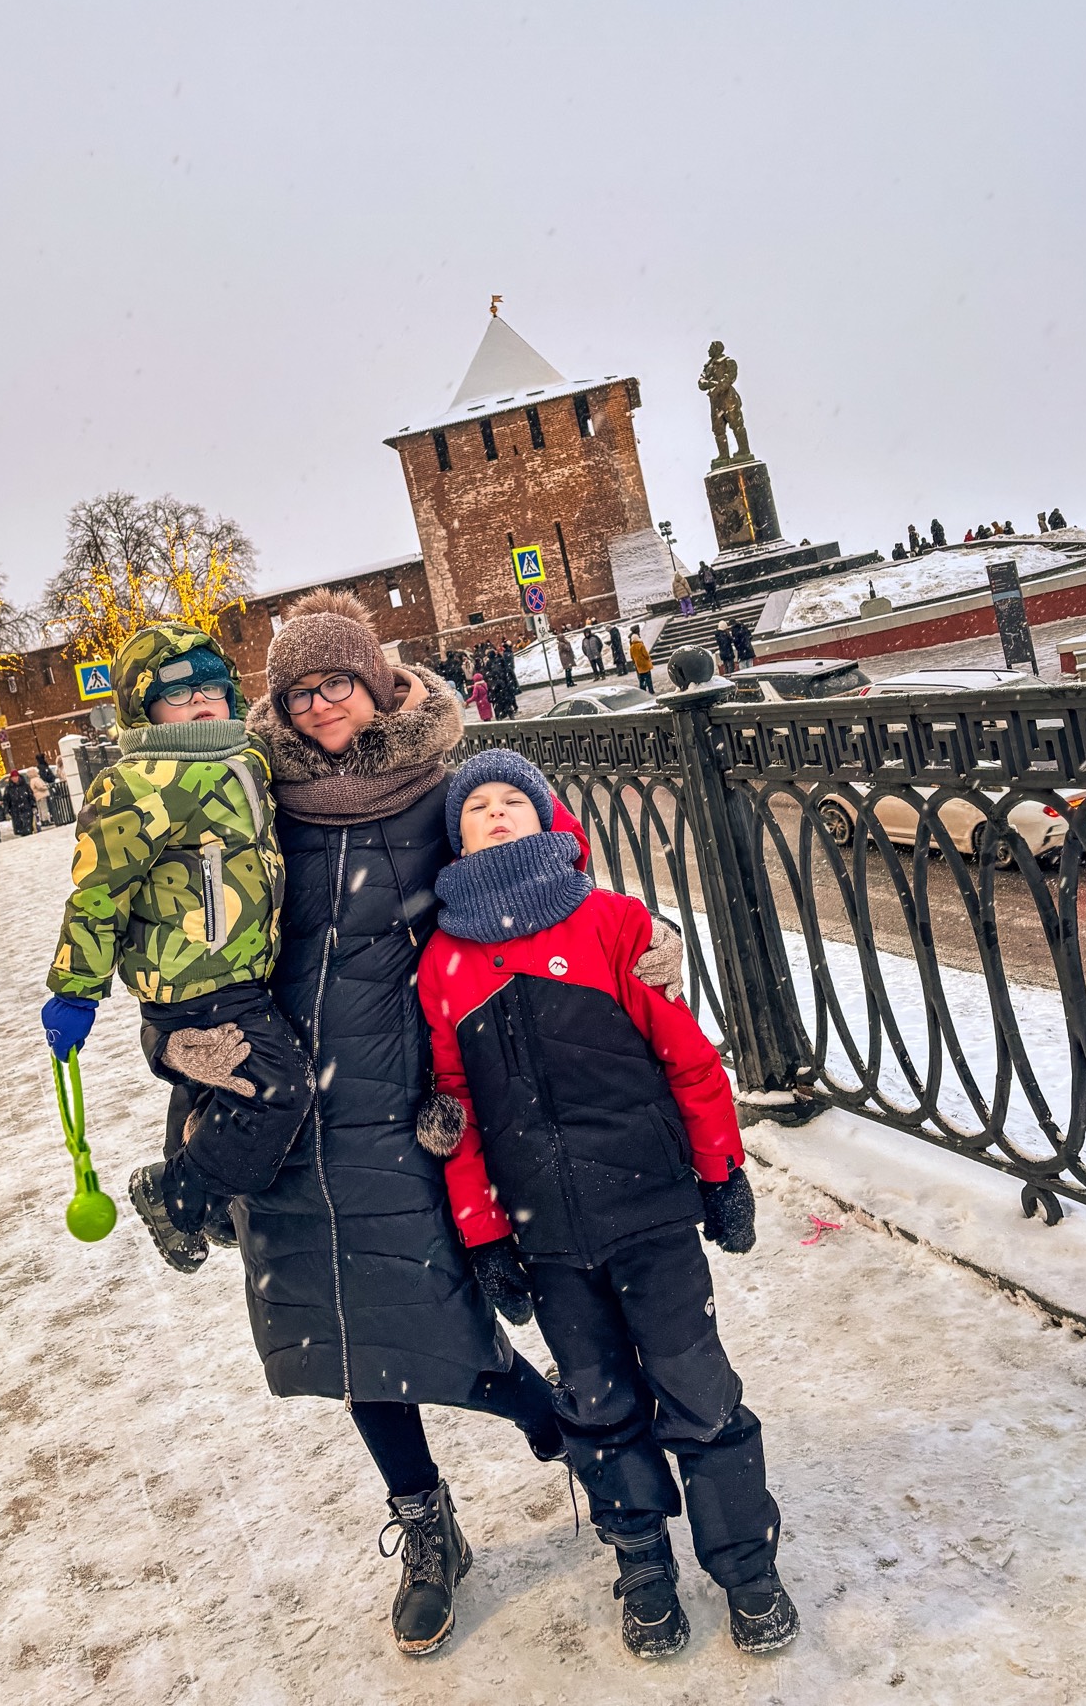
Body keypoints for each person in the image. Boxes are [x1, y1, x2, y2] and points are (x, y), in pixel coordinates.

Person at [185, 589, 686, 1656]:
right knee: (343, 1327)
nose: (322, 703)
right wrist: (182, 1056)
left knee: (450, 1298)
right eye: (301, 688)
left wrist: (641, 948)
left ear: (376, 678)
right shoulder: (252, 797)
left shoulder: (442, 783)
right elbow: (196, 942)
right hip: (288, 1104)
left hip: (425, 1101)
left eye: (338, 679)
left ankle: (577, 1433)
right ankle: (425, 1519)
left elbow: (543, 874)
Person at [417, 752, 798, 1660]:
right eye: (480, 808)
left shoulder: (613, 923)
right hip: (545, 1236)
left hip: (651, 1213)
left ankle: (747, 1566)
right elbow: (455, 1111)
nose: (500, 814)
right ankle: (642, 1563)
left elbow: (689, 1059)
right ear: (456, 837)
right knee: (596, 1403)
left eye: (517, 800)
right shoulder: (444, 962)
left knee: (698, 1389)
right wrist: (484, 1233)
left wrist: (720, 1171)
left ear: (548, 820)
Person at [41, 625, 312, 1272]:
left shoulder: (248, 758)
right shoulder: (138, 782)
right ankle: (177, 1196)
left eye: (213, 685)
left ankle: (210, 1203)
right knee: (281, 1091)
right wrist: (75, 990)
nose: (202, 701)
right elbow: (98, 892)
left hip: (240, 975)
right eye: (179, 691)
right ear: (142, 707)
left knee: (216, 1089)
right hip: (190, 985)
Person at [3, 768, 37, 837]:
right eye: (13, 777)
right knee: (21, 829)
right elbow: (6, 800)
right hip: (15, 810)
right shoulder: (9, 788)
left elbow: (31, 796)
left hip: (26, 808)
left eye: (16, 777)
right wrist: (7, 810)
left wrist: (33, 806)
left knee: (28, 827)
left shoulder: (25, 786)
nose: (14, 779)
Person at [629, 627, 655, 694]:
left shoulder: (631, 647)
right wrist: (648, 659)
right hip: (645, 664)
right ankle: (651, 690)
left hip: (638, 665)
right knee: (648, 679)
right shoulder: (641, 645)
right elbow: (646, 654)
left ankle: (643, 691)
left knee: (641, 679)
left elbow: (632, 657)